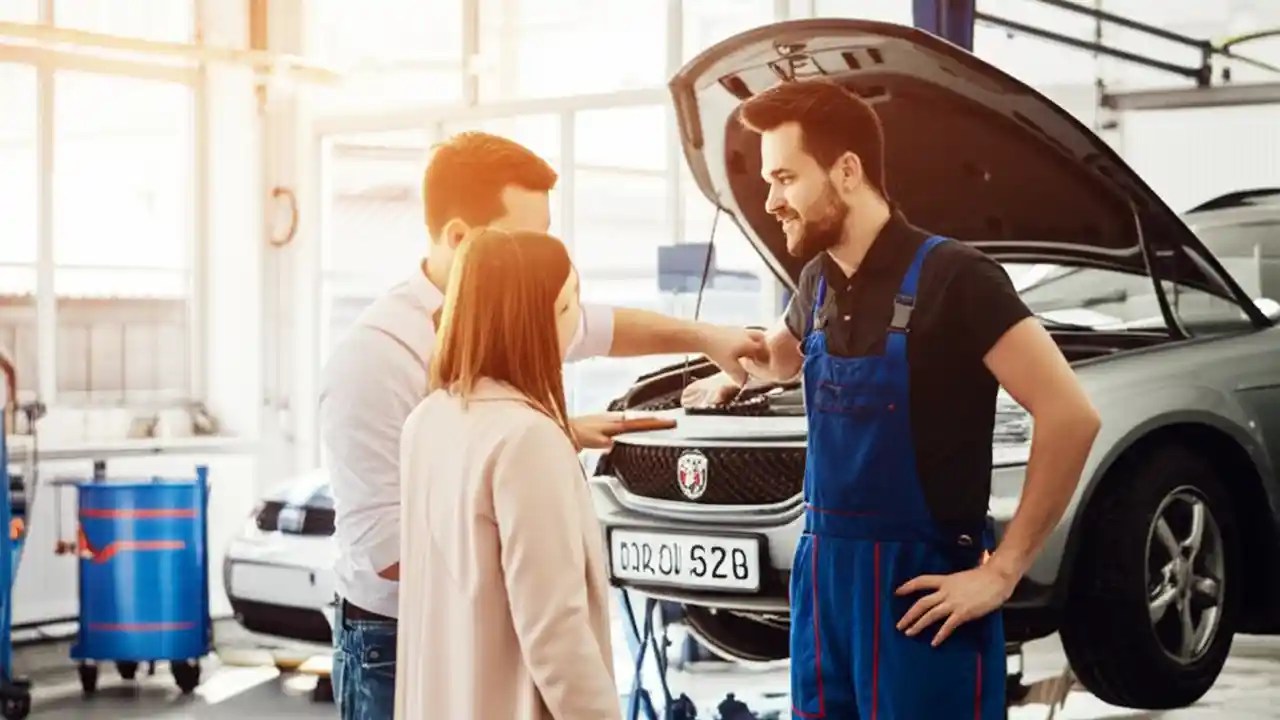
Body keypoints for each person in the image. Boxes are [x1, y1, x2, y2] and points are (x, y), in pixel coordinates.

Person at [680, 79, 1101, 717]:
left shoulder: (958, 278)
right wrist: (732, 370)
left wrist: (1003, 570)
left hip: (919, 595)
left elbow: (1071, 415)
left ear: (846, 171)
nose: (771, 201)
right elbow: (783, 355)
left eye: (785, 178)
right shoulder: (818, 281)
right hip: (823, 585)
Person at [319, 131, 764, 719]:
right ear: (459, 238)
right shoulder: (376, 360)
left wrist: (706, 337)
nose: (544, 261)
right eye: (526, 239)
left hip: (465, 639)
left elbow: (603, 330)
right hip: (396, 638)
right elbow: (395, 551)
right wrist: (529, 467)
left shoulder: (494, 344)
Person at [395, 227, 622, 720]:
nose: (574, 323)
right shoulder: (528, 440)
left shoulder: (428, 419)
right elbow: (556, 634)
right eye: (568, 307)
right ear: (535, 320)